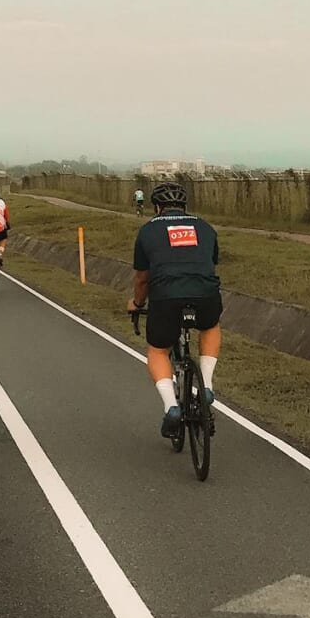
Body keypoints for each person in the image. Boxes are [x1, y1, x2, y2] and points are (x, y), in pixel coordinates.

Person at [126, 182, 222, 438]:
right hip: (205, 292)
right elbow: (210, 263)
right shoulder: (205, 227)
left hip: (166, 297)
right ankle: (206, 385)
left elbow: (142, 280)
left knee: (158, 350)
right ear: (184, 206)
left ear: (157, 208)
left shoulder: (148, 230)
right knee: (210, 326)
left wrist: (137, 304)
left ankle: (171, 407)